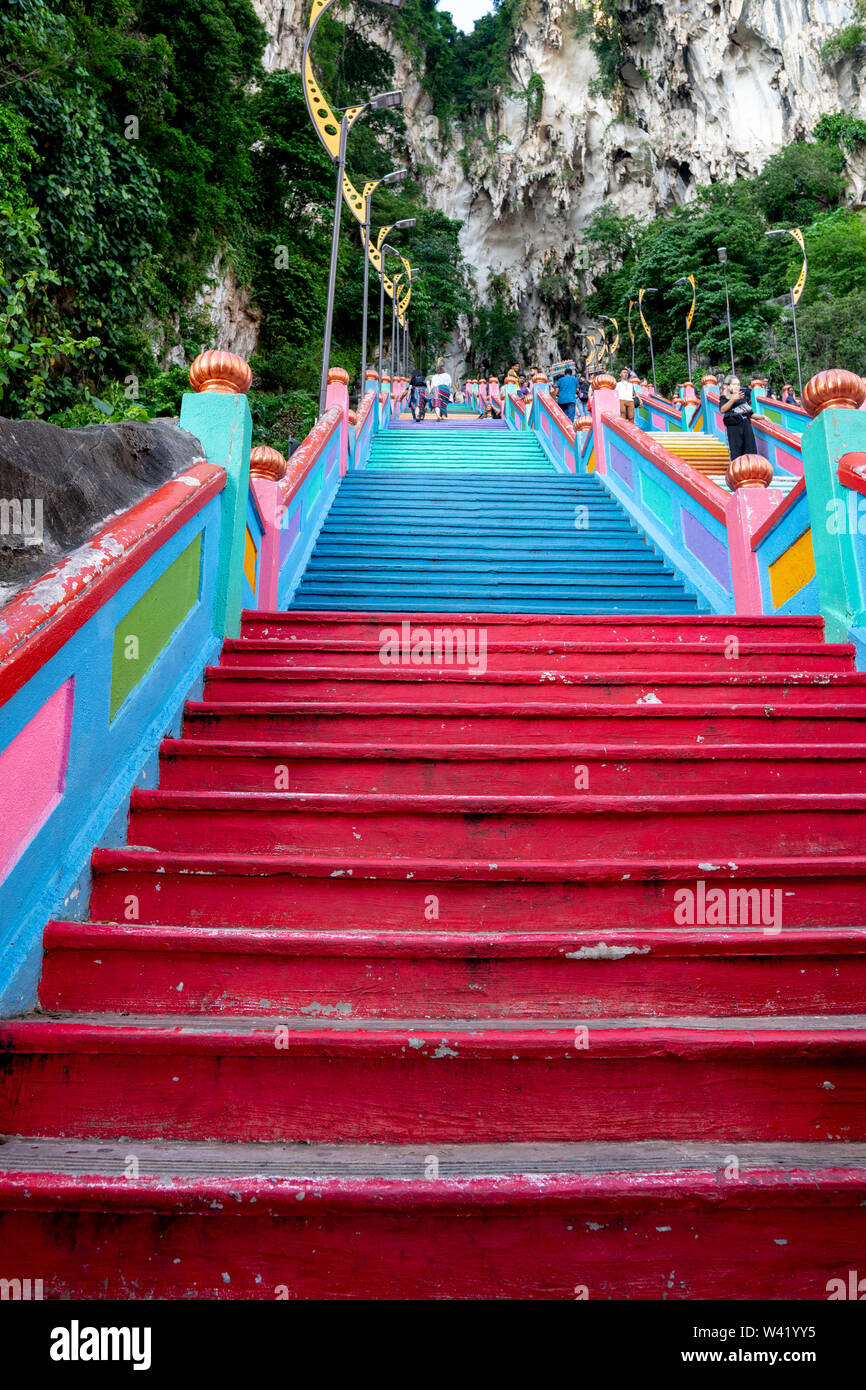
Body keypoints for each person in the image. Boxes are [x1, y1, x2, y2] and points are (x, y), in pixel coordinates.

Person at [719, 374, 757, 460]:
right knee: (736, 452)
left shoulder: (742, 399)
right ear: (728, 386)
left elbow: (750, 414)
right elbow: (722, 409)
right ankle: (736, 471)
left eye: (738, 384)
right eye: (734, 384)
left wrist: (763, 417)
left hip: (746, 426)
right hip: (734, 427)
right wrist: (733, 399)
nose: (737, 386)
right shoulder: (725, 397)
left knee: (750, 451)